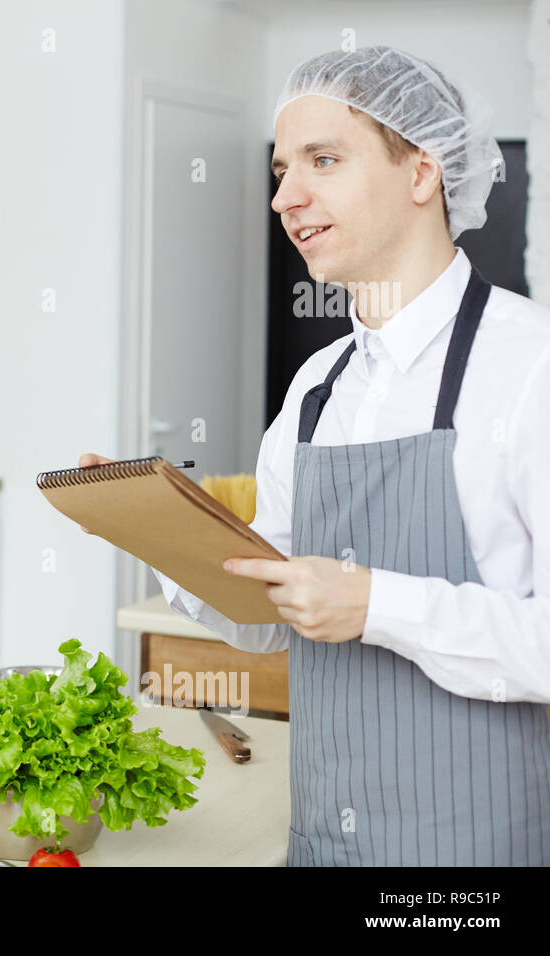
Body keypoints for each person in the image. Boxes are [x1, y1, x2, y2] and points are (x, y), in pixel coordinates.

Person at [84, 46, 550, 866]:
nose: (284, 197)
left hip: (472, 859)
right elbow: (270, 625)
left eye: (323, 161)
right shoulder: (318, 386)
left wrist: (374, 604)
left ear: (421, 174)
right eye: (280, 169)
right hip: (321, 843)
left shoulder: (529, 367)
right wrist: (158, 534)